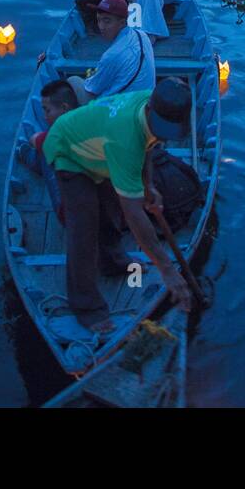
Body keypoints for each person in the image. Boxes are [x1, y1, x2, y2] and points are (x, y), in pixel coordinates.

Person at [42, 78, 193, 329]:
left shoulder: (152, 100)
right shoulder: (125, 136)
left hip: (102, 155)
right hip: (69, 153)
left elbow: (147, 145)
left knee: (110, 213)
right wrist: (167, 269)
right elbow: (134, 214)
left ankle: (112, 262)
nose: (161, 134)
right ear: (148, 111)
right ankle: (86, 307)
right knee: (84, 227)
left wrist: (148, 185)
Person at [67, 0, 155, 104]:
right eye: (99, 20)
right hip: (145, 102)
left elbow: (92, 89)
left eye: (107, 21)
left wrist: (91, 77)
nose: (101, 27)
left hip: (121, 111)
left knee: (73, 80)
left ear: (122, 23)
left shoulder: (111, 55)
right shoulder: (142, 35)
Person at [16, 79, 79, 221]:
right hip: (102, 209)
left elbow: (33, 139)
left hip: (70, 216)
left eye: (47, 110)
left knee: (43, 150)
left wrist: (41, 139)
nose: (44, 117)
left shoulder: (53, 138)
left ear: (64, 108)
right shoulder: (88, 122)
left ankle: (25, 154)